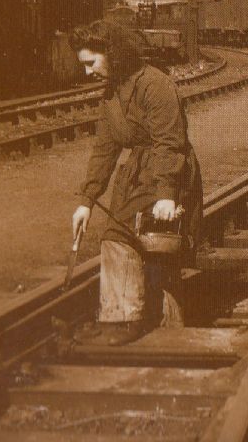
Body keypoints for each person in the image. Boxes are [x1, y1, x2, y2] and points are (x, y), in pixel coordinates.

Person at [69, 21, 204, 344]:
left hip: (168, 171)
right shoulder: (111, 95)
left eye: (92, 63)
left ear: (112, 54)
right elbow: (104, 149)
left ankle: (125, 321)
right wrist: (86, 201)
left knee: (126, 237)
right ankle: (137, 316)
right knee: (121, 232)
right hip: (136, 174)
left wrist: (166, 194)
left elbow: (170, 142)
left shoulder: (155, 85)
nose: (88, 72)